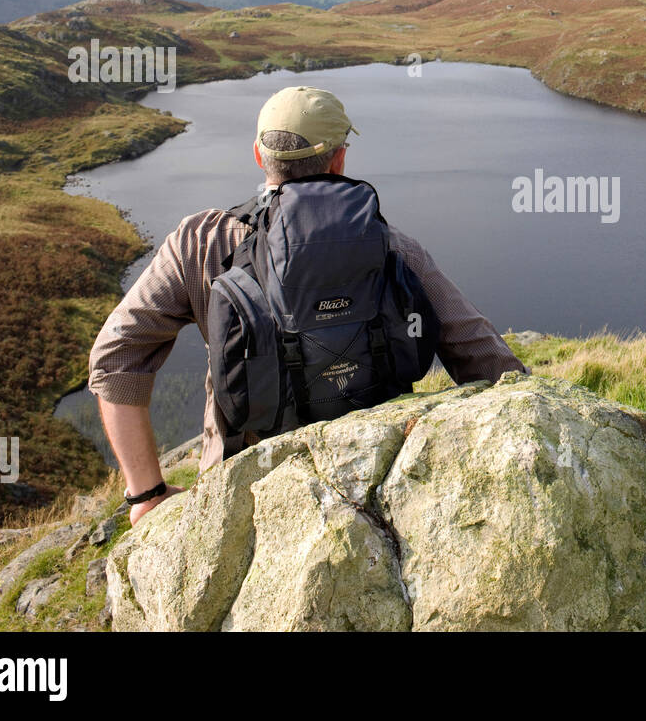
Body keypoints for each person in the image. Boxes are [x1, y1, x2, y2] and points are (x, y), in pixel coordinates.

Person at [88, 85, 526, 524]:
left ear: (259, 157)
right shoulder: (390, 248)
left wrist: (147, 493)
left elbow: (116, 356)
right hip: (374, 484)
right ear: (339, 159)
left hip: (243, 489)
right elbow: (481, 352)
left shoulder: (202, 242)